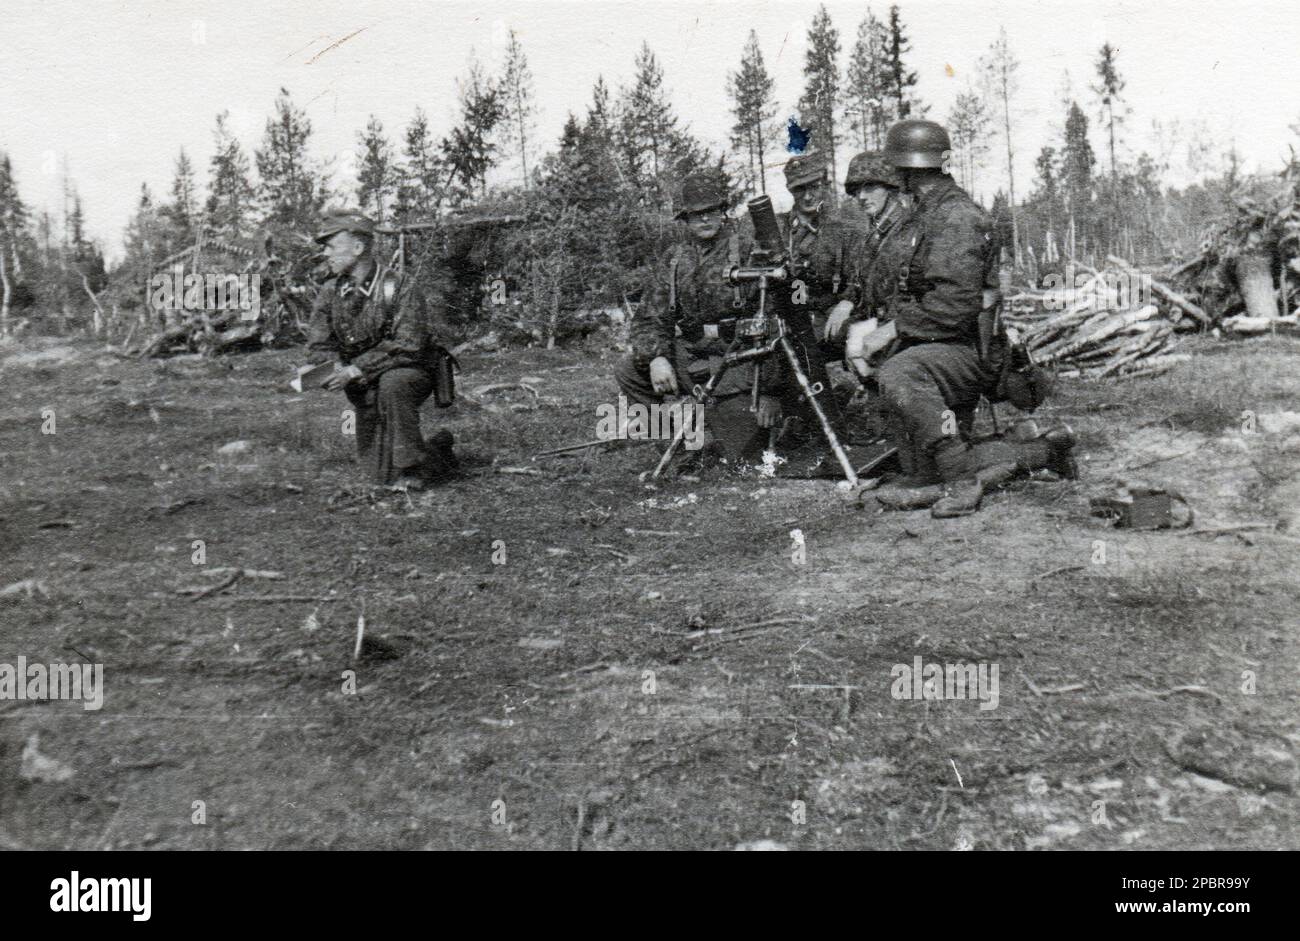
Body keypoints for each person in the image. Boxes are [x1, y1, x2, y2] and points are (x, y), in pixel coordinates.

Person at [866, 121, 1077, 517]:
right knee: (921, 467)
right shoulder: (927, 214)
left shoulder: (957, 217)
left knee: (900, 374)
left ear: (906, 170)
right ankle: (1046, 450)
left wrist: (893, 329)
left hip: (968, 349)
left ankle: (962, 483)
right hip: (939, 344)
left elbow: (955, 306)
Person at [615, 171, 783, 464]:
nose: (705, 219)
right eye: (696, 214)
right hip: (694, 360)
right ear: (686, 219)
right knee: (630, 369)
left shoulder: (748, 251)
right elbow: (648, 318)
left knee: (744, 461)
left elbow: (774, 318)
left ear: (722, 212)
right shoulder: (675, 259)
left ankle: (768, 421)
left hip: (740, 365)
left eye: (711, 212)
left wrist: (772, 391)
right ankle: (678, 452)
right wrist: (656, 358)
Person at [306, 209, 456, 489]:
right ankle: (439, 449)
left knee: (393, 383)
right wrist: (334, 367)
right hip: (363, 384)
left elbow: (409, 344)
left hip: (409, 373)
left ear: (358, 247)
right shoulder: (329, 292)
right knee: (380, 477)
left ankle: (411, 469)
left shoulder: (398, 285)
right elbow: (317, 346)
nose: (325, 254)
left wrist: (357, 368)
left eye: (331, 246)